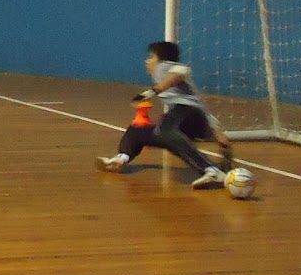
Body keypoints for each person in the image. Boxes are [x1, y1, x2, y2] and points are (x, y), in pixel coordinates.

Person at [96, 40, 232, 186]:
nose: (147, 61)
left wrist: (151, 92)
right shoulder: (168, 74)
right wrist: (221, 142)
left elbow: (178, 75)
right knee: (138, 131)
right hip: (187, 121)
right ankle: (121, 159)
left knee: (164, 131)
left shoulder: (166, 67)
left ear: (160, 58)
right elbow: (202, 106)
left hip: (187, 113)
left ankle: (212, 171)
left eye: (151, 57)